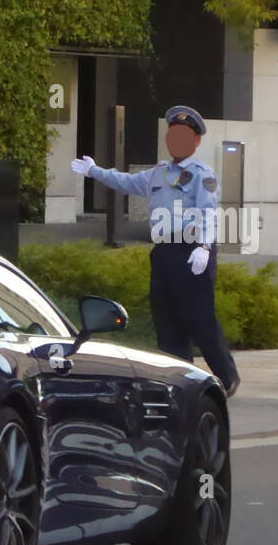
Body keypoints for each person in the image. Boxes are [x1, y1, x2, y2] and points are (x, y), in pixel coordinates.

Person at [71, 105, 240, 396]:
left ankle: (227, 377)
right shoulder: (158, 173)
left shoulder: (203, 174)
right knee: (167, 318)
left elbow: (209, 212)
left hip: (192, 251)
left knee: (200, 317)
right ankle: (180, 378)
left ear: (195, 142)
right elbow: (125, 182)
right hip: (164, 251)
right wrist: (94, 171)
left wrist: (204, 246)